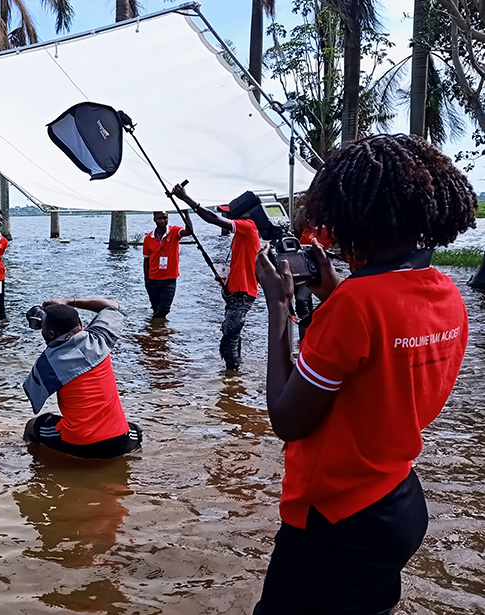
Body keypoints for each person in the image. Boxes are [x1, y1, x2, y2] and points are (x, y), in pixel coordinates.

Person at [253, 134, 476, 615]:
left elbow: (287, 420)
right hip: (399, 503)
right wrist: (334, 289)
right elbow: (381, 356)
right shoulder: (445, 292)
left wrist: (278, 309)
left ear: (351, 218)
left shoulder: (356, 305)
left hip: (338, 520)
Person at [22, 297, 143, 459]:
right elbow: (112, 306)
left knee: (32, 426)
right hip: (120, 441)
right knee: (135, 431)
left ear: (50, 334)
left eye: (43, 328)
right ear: (79, 325)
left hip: (82, 444)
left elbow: (34, 397)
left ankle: (35, 467)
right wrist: (68, 302)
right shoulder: (100, 340)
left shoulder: (47, 363)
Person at [171, 184, 261, 369]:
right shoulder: (243, 232)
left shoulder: (248, 227)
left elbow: (212, 218)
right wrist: (226, 286)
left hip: (243, 294)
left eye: (229, 212)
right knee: (232, 335)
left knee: (229, 340)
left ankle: (232, 378)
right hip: (237, 293)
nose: (227, 215)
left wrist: (186, 199)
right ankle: (235, 377)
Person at [142, 210, 193, 318]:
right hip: (153, 279)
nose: (162, 221)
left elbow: (189, 232)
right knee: (155, 308)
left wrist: (186, 214)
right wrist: (146, 280)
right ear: (154, 219)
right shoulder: (148, 238)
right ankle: (156, 326)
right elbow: (146, 260)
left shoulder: (174, 231)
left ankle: (155, 325)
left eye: (165, 218)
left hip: (169, 280)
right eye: (159, 218)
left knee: (164, 309)